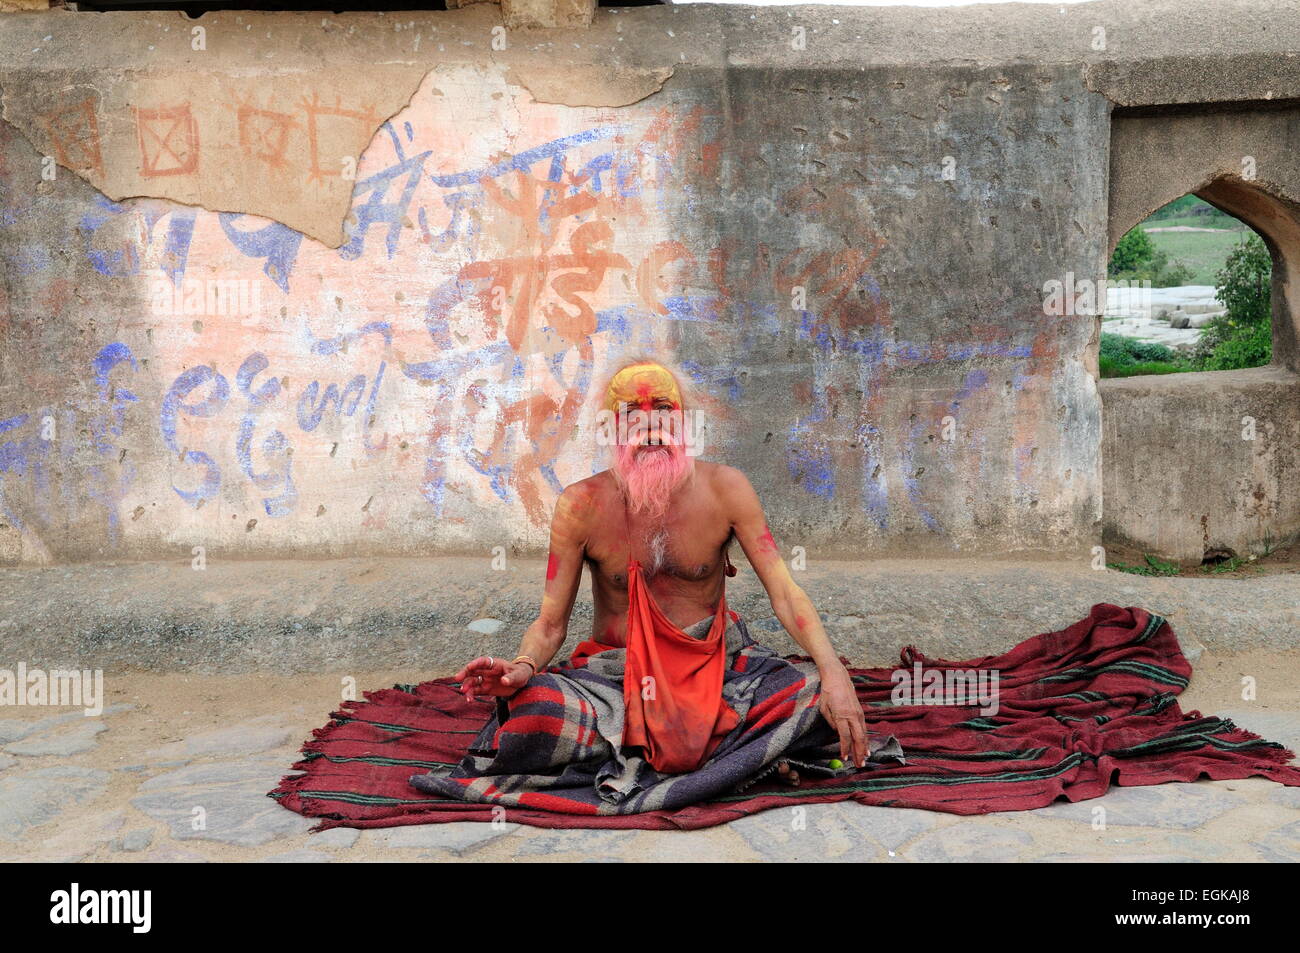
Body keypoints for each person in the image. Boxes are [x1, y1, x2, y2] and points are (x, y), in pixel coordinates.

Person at [409, 358, 878, 813]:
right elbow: (551, 625)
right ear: (611, 428)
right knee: (533, 713)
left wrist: (835, 672)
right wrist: (522, 667)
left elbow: (784, 591)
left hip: (720, 672)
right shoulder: (581, 504)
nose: (650, 424)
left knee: (815, 691)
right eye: (632, 413)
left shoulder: (726, 488)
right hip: (615, 679)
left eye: (664, 409)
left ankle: (658, 757)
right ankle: (741, 759)